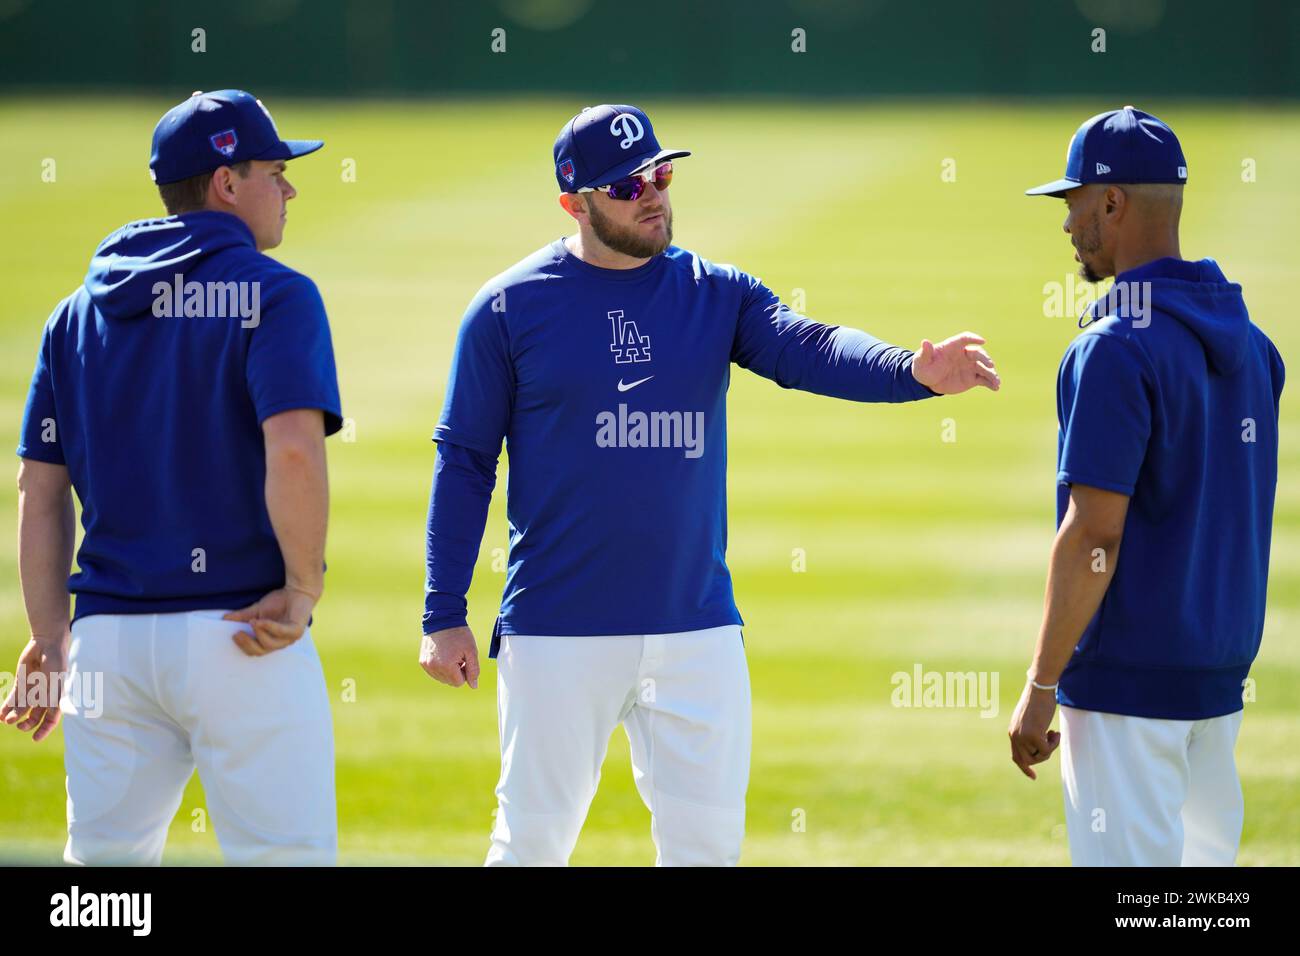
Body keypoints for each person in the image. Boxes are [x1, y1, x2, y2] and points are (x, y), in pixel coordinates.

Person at [420, 103, 1001, 866]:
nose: (654, 192)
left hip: (697, 630)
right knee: (531, 842)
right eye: (627, 185)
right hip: (558, 630)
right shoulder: (505, 309)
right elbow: (464, 459)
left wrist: (911, 372)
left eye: (660, 172)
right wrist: (443, 612)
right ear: (575, 203)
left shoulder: (714, 291)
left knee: (707, 852)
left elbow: (810, 347)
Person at [2, 89, 343, 865]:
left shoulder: (75, 312)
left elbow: (40, 489)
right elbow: (293, 448)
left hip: (107, 648)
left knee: (104, 887)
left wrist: (49, 640)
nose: (289, 187)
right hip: (242, 635)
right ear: (227, 183)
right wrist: (302, 587)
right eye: (274, 170)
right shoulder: (277, 293)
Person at [1009, 106, 1285, 866]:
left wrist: (1041, 683)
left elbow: (1095, 532)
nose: (1067, 226)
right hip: (1216, 681)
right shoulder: (1258, 349)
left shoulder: (1112, 349)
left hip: (1126, 688)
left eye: (1072, 204)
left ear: (1112, 203)